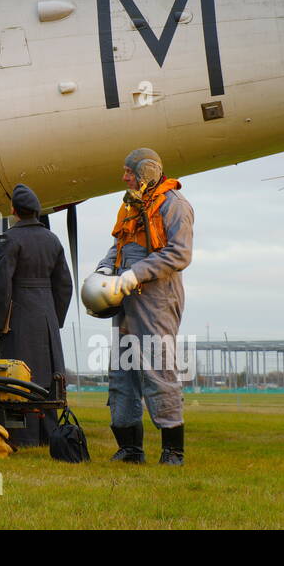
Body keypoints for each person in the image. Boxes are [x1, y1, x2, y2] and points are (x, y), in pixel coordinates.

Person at [94, 148, 193, 466]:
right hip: (126, 300)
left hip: (157, 302)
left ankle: (172, 451)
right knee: (122, 374)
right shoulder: (130, 205)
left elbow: (180, 255)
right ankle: (130, 449)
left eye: (129, 172)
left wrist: (136, 273)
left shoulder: (175, 206)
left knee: (158, 372)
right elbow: (118, 246)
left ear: (146, 172)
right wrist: (105, 270)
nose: (124, 177)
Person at [0, 183, 73, 447]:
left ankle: (23, 436)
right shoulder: (52, 240)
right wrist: (54, 318)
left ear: (14, 210)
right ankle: (48, 433)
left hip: (19, 315)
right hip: (46, 314)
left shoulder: (10, 239)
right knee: (47, 376)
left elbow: (2, 285)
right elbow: (65, 286)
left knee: (19, 376)